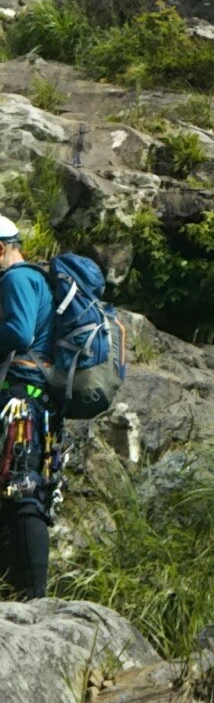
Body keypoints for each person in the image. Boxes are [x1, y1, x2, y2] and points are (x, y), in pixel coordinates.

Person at [0, 215, 64, 599]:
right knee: (20, 486)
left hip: (22, 396)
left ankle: (34, 598)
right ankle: (21, 592)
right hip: (35, 398)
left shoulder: (16, 278)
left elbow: (20, 332)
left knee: (21, 486)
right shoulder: (34, 279)